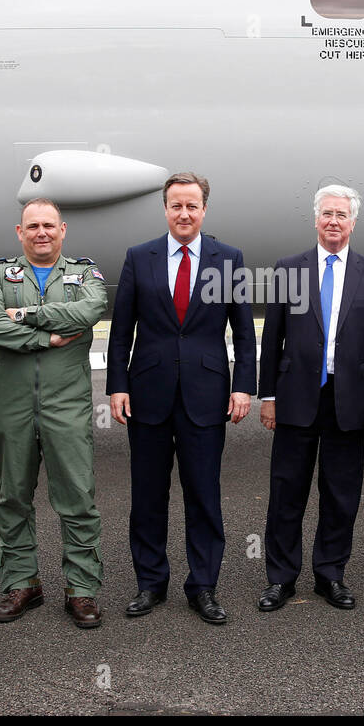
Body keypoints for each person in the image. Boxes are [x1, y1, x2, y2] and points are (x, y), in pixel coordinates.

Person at [107, 173, 256, 625]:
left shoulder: (229, 259)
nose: (184, 214)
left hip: (207, 396)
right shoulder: (139, 258)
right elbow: (121, 331)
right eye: (176, 206)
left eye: (192, 206)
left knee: (203, 496)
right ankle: (150, 583)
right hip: (148, 395)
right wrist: (117, 384)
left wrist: (242, 385)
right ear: (166, 209)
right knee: (147, 497)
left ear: (204, 209)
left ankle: (203, 586)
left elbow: (245, 333)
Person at [0, 198, 108, 629]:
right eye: (32, 226)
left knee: (77, 498)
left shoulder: (84, 273)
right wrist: (46, 338)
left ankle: (82, 589)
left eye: (49, 225)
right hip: (12, 407)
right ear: (20, 232)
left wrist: (28, 316)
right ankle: (21, 583)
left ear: (63, 229)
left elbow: (90, 311)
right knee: (13, 497)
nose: (41, 232)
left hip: (66, 406)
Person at [257, 184, 364, 612]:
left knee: (340, 494)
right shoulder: (288, 268)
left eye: (342, 215)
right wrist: (268, 396)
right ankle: (281, 578)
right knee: (286, 493)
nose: (334, 221)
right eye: (327, 214)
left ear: (353, 222)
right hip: (296, 396)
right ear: (316, 219)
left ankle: (330, 574)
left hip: (348, 400)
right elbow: (272, 338)